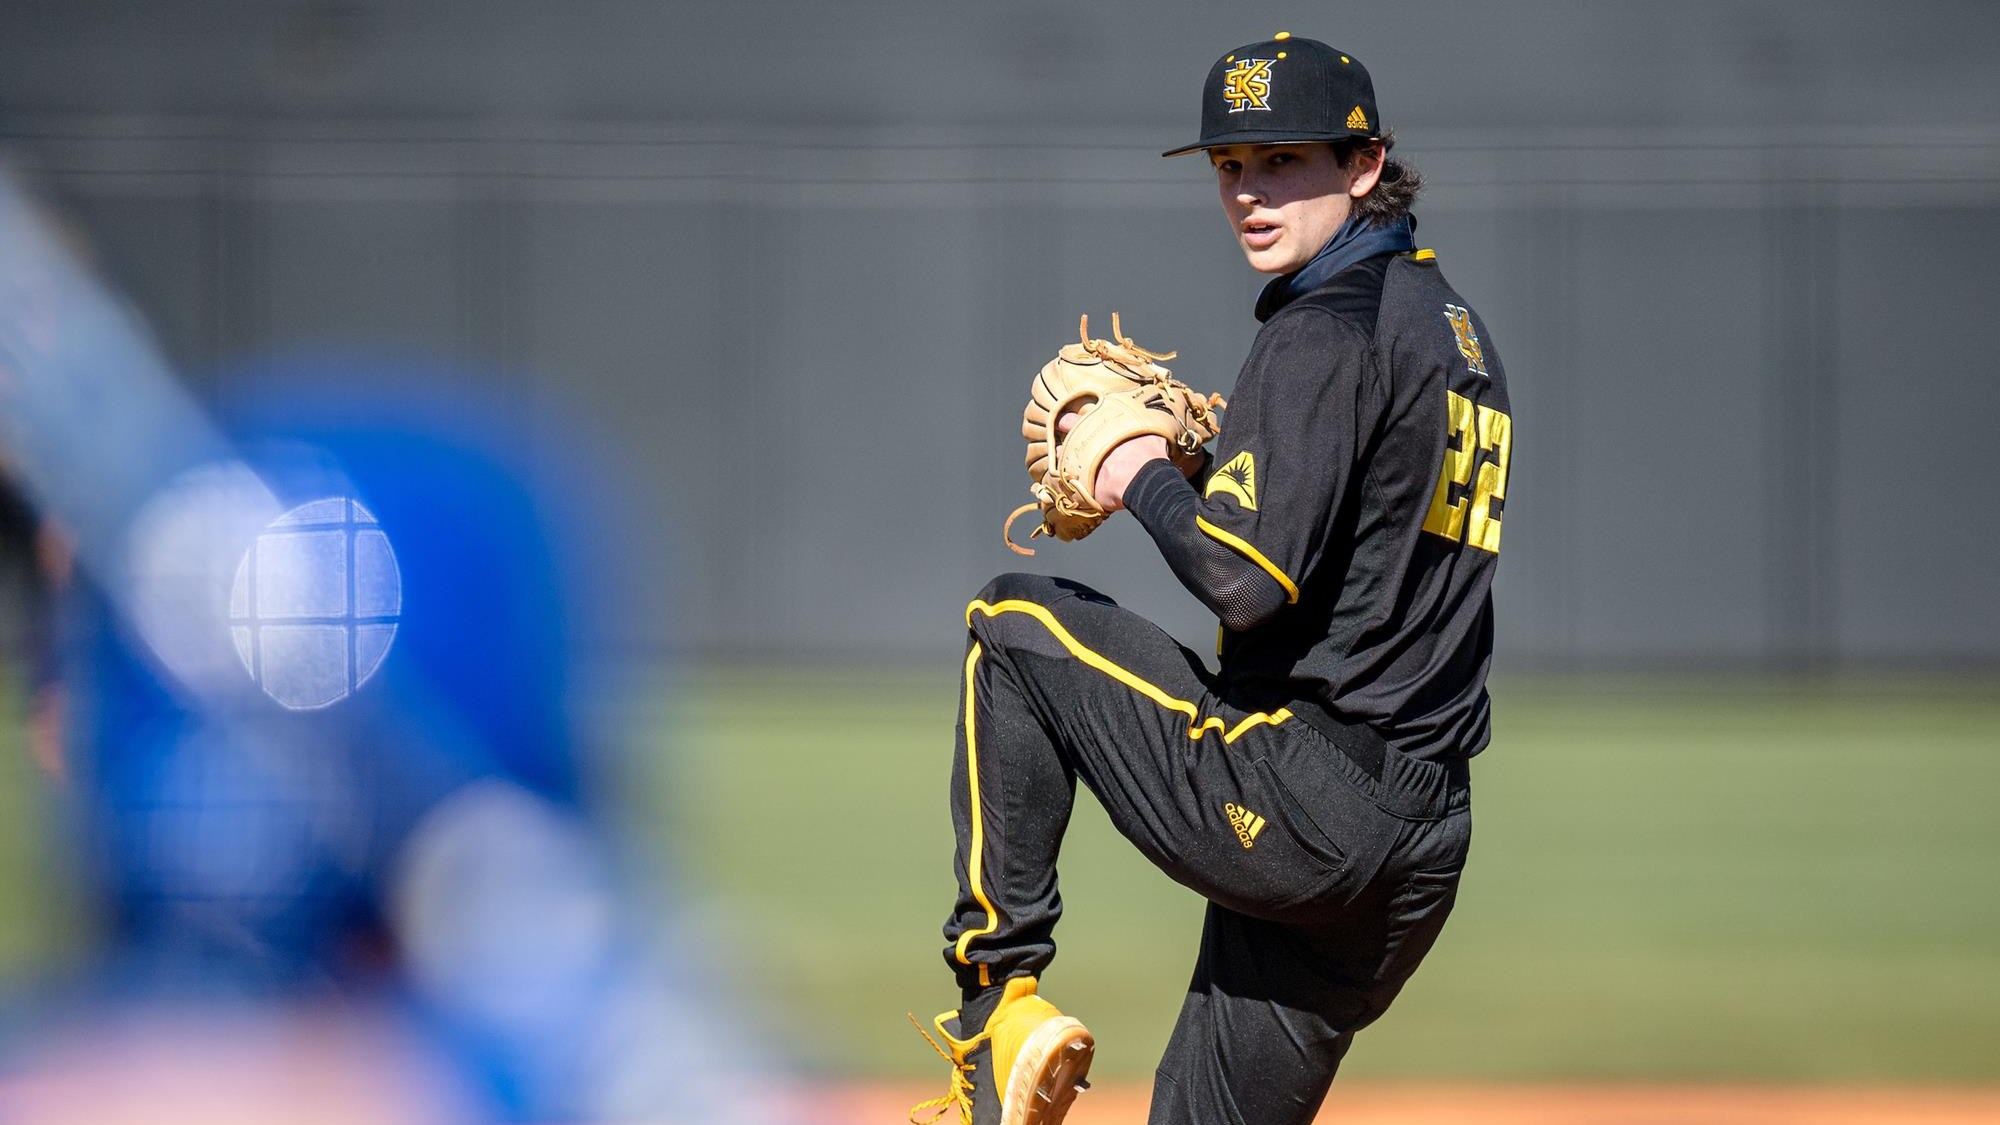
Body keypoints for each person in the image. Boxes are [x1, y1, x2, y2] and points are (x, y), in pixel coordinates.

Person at [910, 32, 1514, 1125]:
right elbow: (1340, 524)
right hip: (1416, 843)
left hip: (1306, 793)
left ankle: (995, 1002)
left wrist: (1136, 467)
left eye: (1282, 160)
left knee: (1009, 625)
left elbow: (1243, 585)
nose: (1247, 191)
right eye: (1230, 166)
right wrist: (1201, 462)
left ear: (1363, 163)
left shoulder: (1322, 333)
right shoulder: (1446, 328)